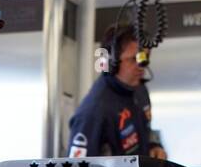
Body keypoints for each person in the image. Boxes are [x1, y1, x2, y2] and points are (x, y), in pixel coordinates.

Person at [68, 23, 165, 158]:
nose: (141, 66)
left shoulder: (139, 89)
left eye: (144, 58)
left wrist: (153, 145)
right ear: (111, 61)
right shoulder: (93, 113)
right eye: (133, 59)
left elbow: (145, 128)